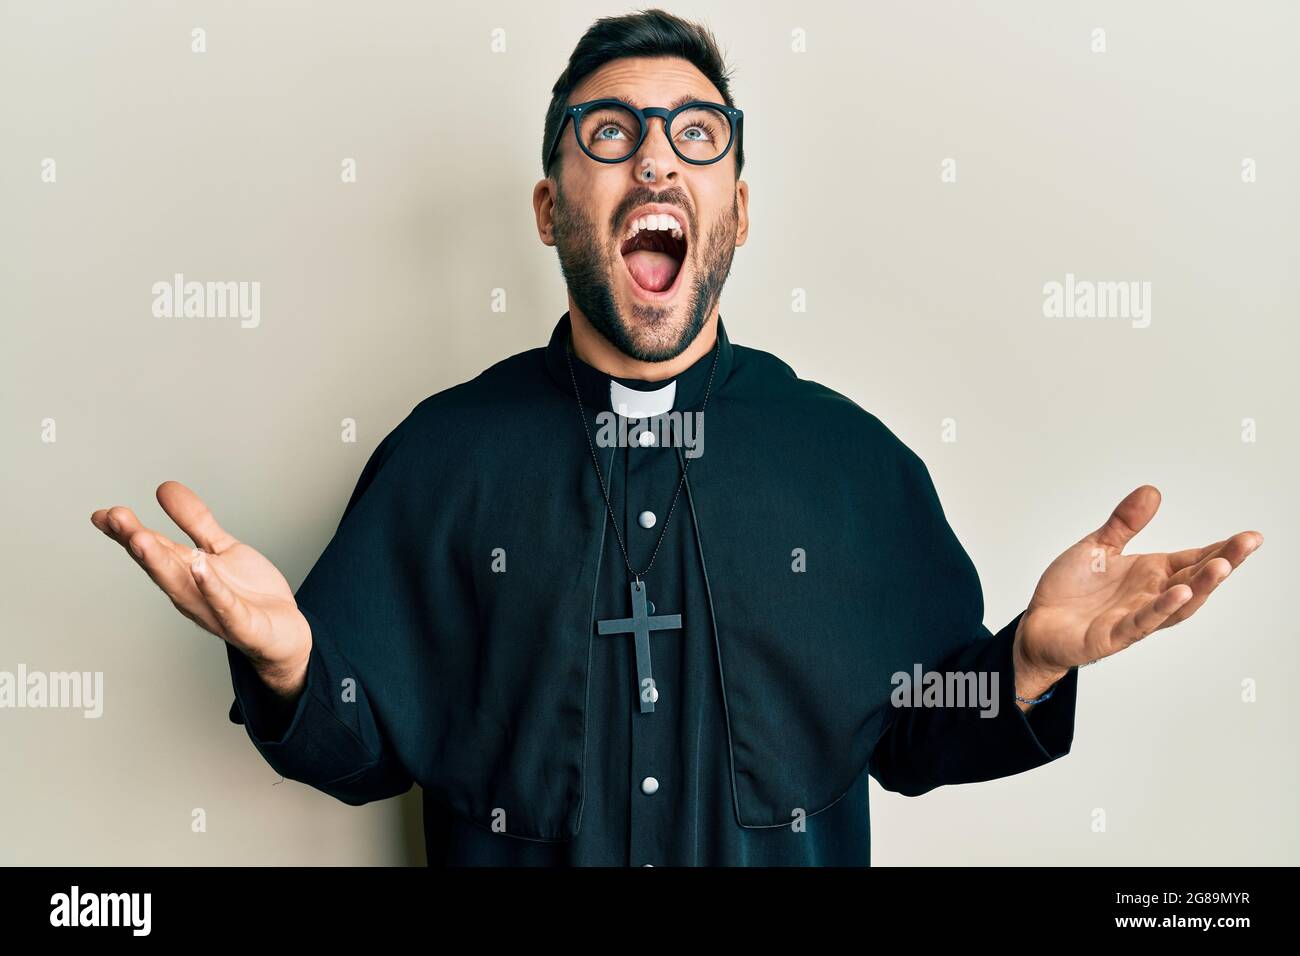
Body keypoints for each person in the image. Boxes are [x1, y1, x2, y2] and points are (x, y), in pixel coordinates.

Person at [91, 9, 1262, 866]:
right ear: (552, 207)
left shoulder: (852, 466)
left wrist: (1029, 661)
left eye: (695, 134)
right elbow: (360, 752)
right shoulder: (440, 459)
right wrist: (290, 658)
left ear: (737, 210)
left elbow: (915, 733)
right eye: (609, 132)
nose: (654, 157)